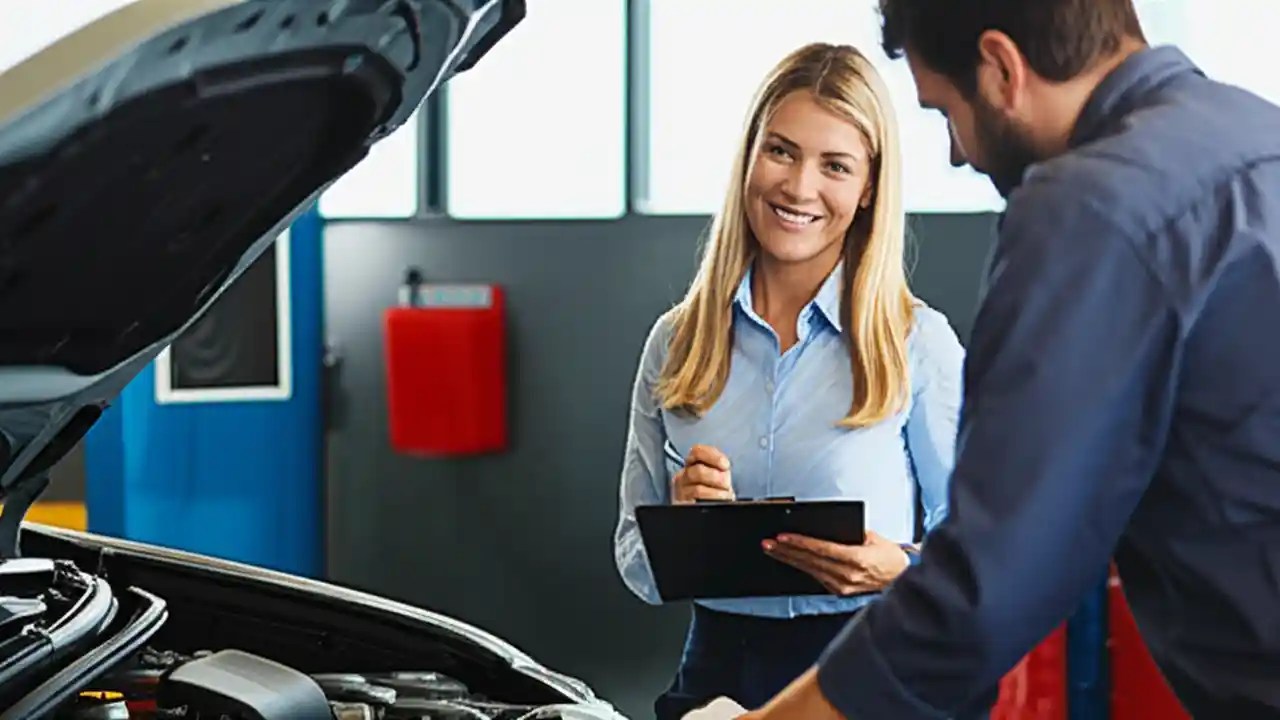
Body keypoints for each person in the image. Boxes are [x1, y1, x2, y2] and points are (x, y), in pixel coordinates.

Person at [741, 1, 1280, 719]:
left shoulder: (1088, 206)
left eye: (945, 113)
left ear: (1000, 69)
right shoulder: (1259, 135)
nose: (960, 153)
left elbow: (982, 592)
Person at [611, 42, 966, 720]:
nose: (799, 188)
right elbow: (634, 558)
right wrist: (684, 531)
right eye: (780, 151)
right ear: (749, 157)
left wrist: (899, 569)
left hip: (868, 675)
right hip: (714, 674)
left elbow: (981, 557)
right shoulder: (675, 344)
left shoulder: (917, 345)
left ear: (867, 189)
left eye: (835, 165)